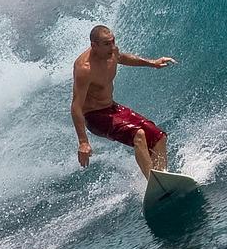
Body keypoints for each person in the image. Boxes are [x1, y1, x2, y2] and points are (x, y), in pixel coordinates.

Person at [72, 24, 176, 179]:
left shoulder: (112, 52)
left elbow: (122, 58)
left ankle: (162, 177)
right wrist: (83, 142)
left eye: (113, 41)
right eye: (107, 44)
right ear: (94, 46)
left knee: (158, 136)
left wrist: (152, 63)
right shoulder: (84, 69)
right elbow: (76, 107)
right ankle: (154, 181)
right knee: (138, 135)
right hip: (94, 117)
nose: (112, 47)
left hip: (112, 108)